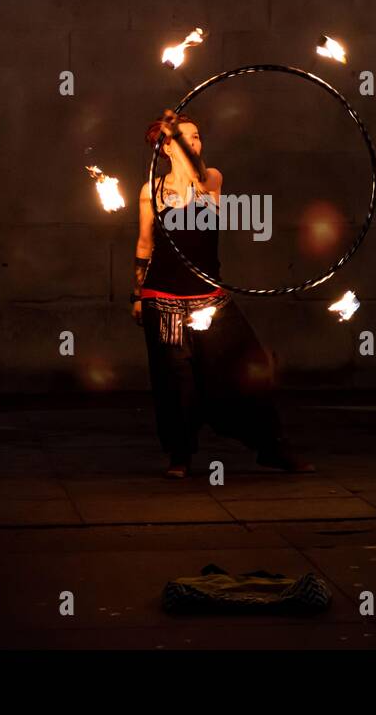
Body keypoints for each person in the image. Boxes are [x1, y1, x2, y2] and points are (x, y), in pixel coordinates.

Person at [132, 110, 314, 479]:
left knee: (248, 368)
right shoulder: (150, 190)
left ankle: (272, 448)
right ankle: (180, 458)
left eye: (198, 136)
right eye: (186, 137)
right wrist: (137, 294)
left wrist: (180, 136)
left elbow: (198, 170)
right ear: (165, 147)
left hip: (209, 298)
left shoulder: (209, 181)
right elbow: (144, 243)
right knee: (176, 380)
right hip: (163, 299)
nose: (196, 142)